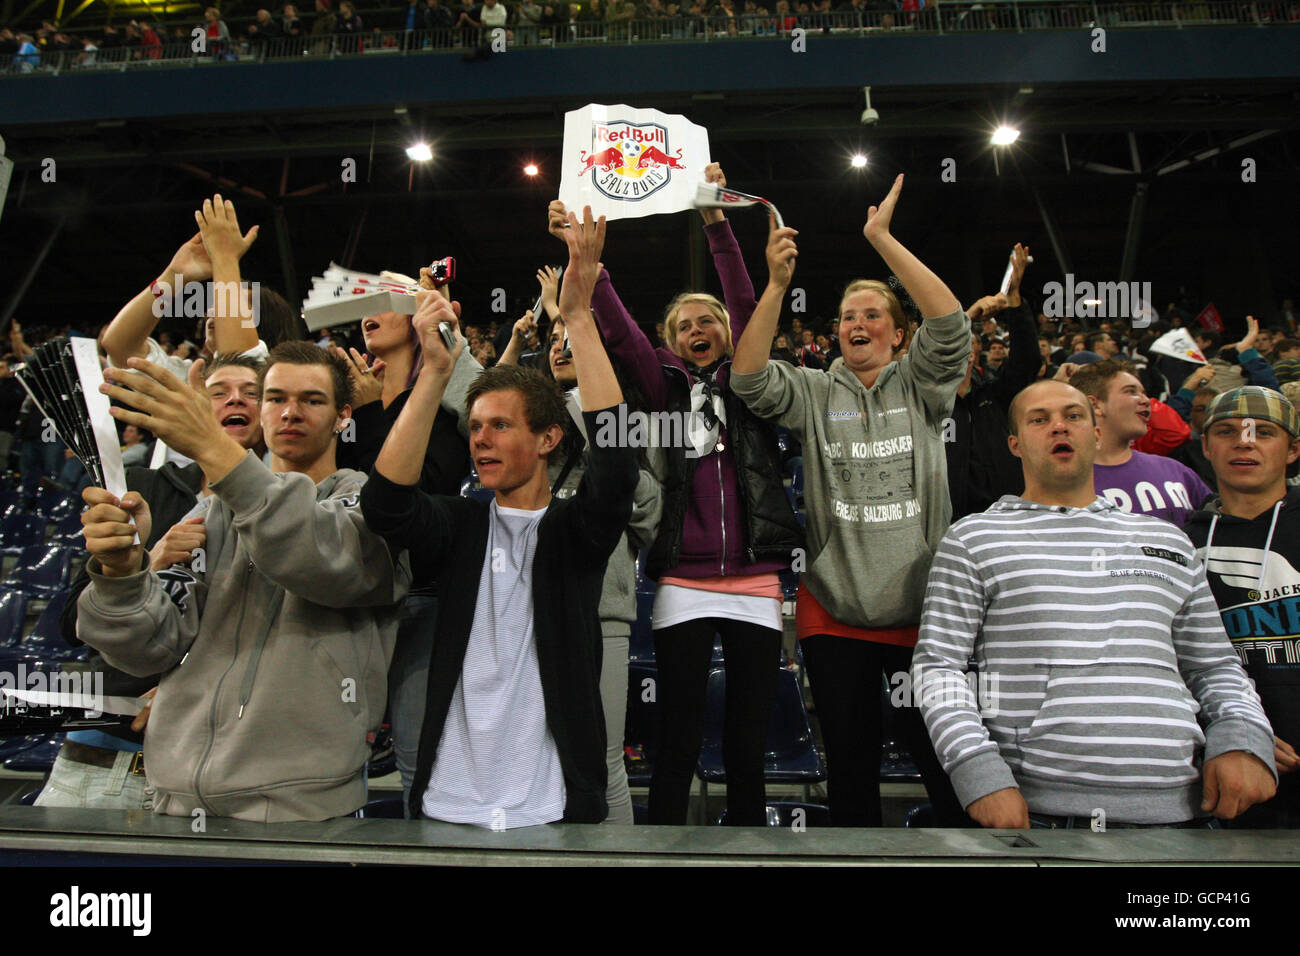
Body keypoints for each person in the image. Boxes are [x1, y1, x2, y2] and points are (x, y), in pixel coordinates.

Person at [360, 207, 639, 827]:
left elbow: (617, 467)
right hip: (447, 800)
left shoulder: (573, 534)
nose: (481, 441)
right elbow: (385, 505)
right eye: (476, 427)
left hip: (551, 803)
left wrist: (578, 318)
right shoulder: (460, 526)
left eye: (501, 427)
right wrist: (434, 374)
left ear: (547, 440)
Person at [553, 163, 804, 828]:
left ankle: (747, 856)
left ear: (726, 331)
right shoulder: (659, 385)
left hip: (755, 582)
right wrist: (592, 268)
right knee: (677, 746)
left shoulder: (754, 388)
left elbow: (752, 308)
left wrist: (716, 222)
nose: (699, 328)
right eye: (684, 324)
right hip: (681, 583)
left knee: (746, 750)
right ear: (670, 342)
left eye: (710, 320)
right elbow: (621, 332)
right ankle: (662, 859)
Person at [912, 378, 1278, 829]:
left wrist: (1241, 739)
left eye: (1073, 415)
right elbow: (938, 669)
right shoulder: (973, 539)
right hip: (1042, 816)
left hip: (1186, 812)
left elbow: (1215, 667)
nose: (1058, 427)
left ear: (1096, 433)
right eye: (1039, 420)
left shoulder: (1167, 540)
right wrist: (980, 776)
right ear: (1015, 444)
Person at [76, 343, 409, 821]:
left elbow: (315, 556)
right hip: (173, 795)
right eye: (275, 398)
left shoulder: (372, 505)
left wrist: (215, 448)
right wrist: (123, 574)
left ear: (343, 416)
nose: (290, 412)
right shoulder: (211, 513)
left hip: (305, 807)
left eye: (312, 400)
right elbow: (146, 649)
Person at [730, 173, 970, 827]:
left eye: (872, 315)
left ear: (897, 334)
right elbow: (747, 377)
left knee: (947, 770)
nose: (856, 324)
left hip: (923, 616)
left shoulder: (923, 382)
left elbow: (950, 324)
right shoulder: (812, 390)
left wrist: (881, 240)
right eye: (847, 316)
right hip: (834, 611)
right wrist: (776, 286)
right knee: (852, 773)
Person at [41, 354, 267, 812]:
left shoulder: (283, 511)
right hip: (97, 754)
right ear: (196, 406)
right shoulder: (141, 486)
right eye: (219, 391)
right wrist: (144, 560)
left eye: (253, 392)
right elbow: (72, 624)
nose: (235, 400)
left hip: (205, 769)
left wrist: (184, 687)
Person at [497, 304, 664, 826]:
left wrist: (589, 411)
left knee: (604, 762)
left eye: (574, 339)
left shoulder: (630, 422)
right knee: (530, 759)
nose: (561, 346)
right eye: (554, 338)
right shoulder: (524, 426)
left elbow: (649, 509)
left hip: (602, 614)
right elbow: (471, 416)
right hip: (524, 614)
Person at [333, 267, 476, 807]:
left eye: (388, 300)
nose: (370, 309)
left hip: (420, 598)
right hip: (348, 596)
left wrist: (374, 412)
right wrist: (362, 412)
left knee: (420, 759)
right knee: (338, 754)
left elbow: (399, 499)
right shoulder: (346, 412)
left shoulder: (438, 408)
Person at [1185, 386, 1300, 828]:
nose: (1244, 441)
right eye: (1227, 431)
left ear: (1292, 450)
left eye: (1264, 432)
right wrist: (1238, 732)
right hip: (1226, 771)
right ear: (1207, 447)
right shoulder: (1177, 545)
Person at [945, 245, 1043, 520]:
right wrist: (968, 318)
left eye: (967, 344)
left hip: (1007, 522)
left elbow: (1028, 360)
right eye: (953, 344)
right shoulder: (924, 404)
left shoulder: (995, 395)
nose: (960, 349)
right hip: (946, 526)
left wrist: (1014, 301)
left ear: (974, 354)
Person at [1070, 359, 1212, 526]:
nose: (1146, 400)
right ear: (1095, 405)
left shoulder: (1176, 471)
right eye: (1131, 391)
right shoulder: (1061, 481)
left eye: (1144, 392)